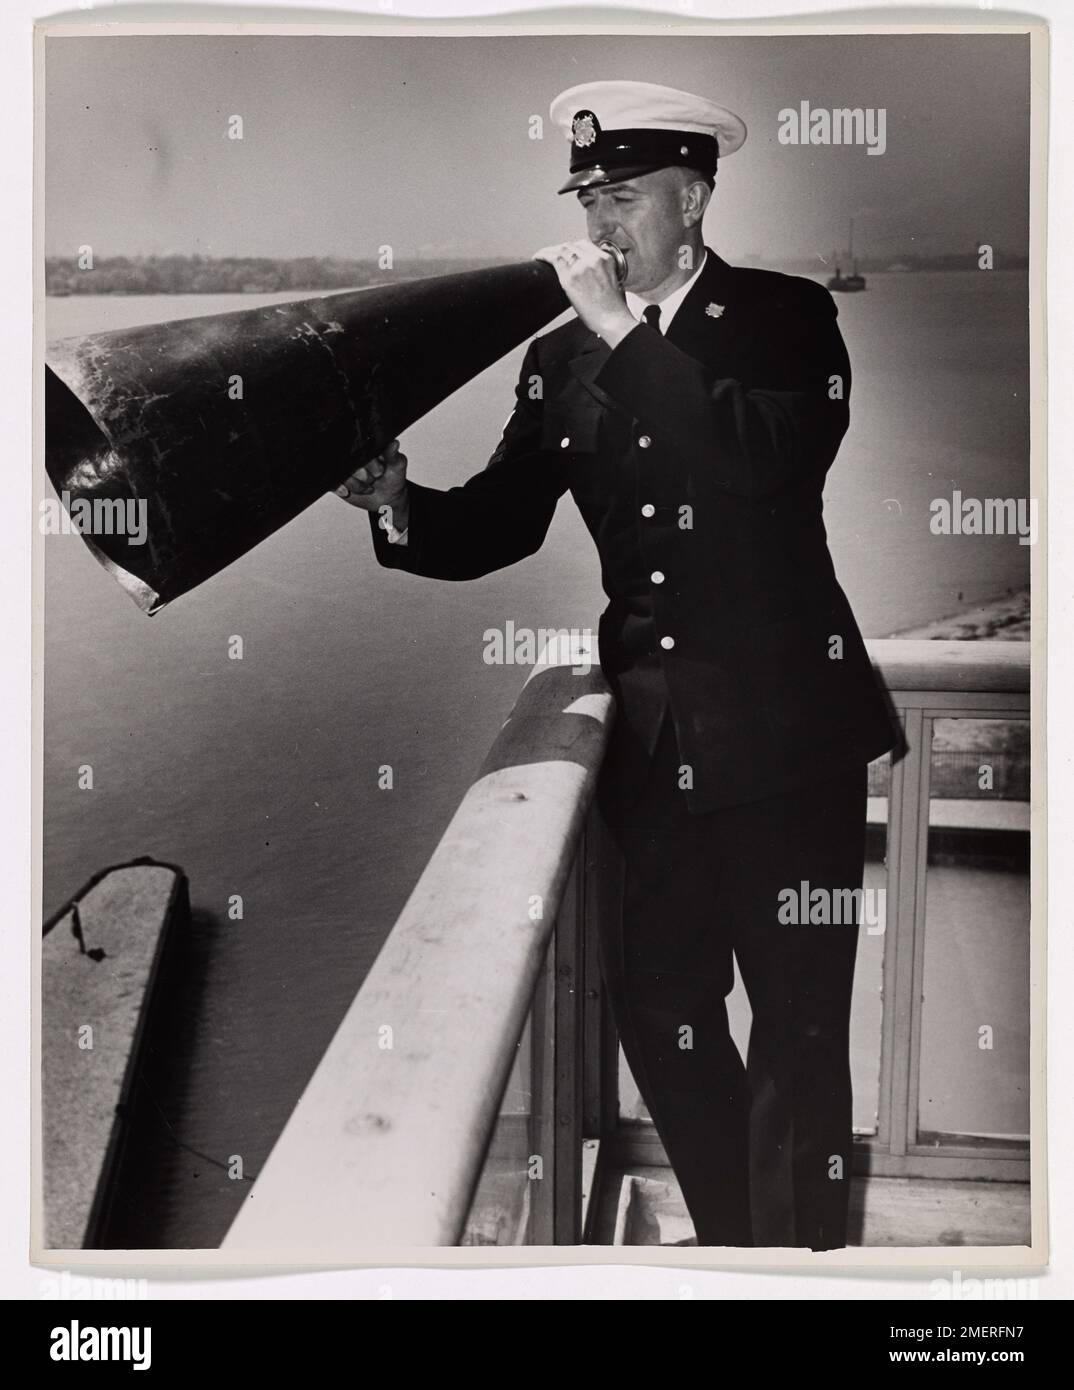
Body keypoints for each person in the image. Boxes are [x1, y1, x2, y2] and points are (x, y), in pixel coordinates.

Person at [335, 80, 898, 1249]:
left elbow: (763, 460)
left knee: (799, 1028)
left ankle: (808, 1267)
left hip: (793, 742)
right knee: (662, 1010)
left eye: (626, 195)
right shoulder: (556, 362)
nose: (602, 220)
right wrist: (397, 505)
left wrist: (621, 337)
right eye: (589, 196)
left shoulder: (791, 321)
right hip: (656, 750)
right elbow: (499, 521)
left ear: (694, 199)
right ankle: (746, 1244)